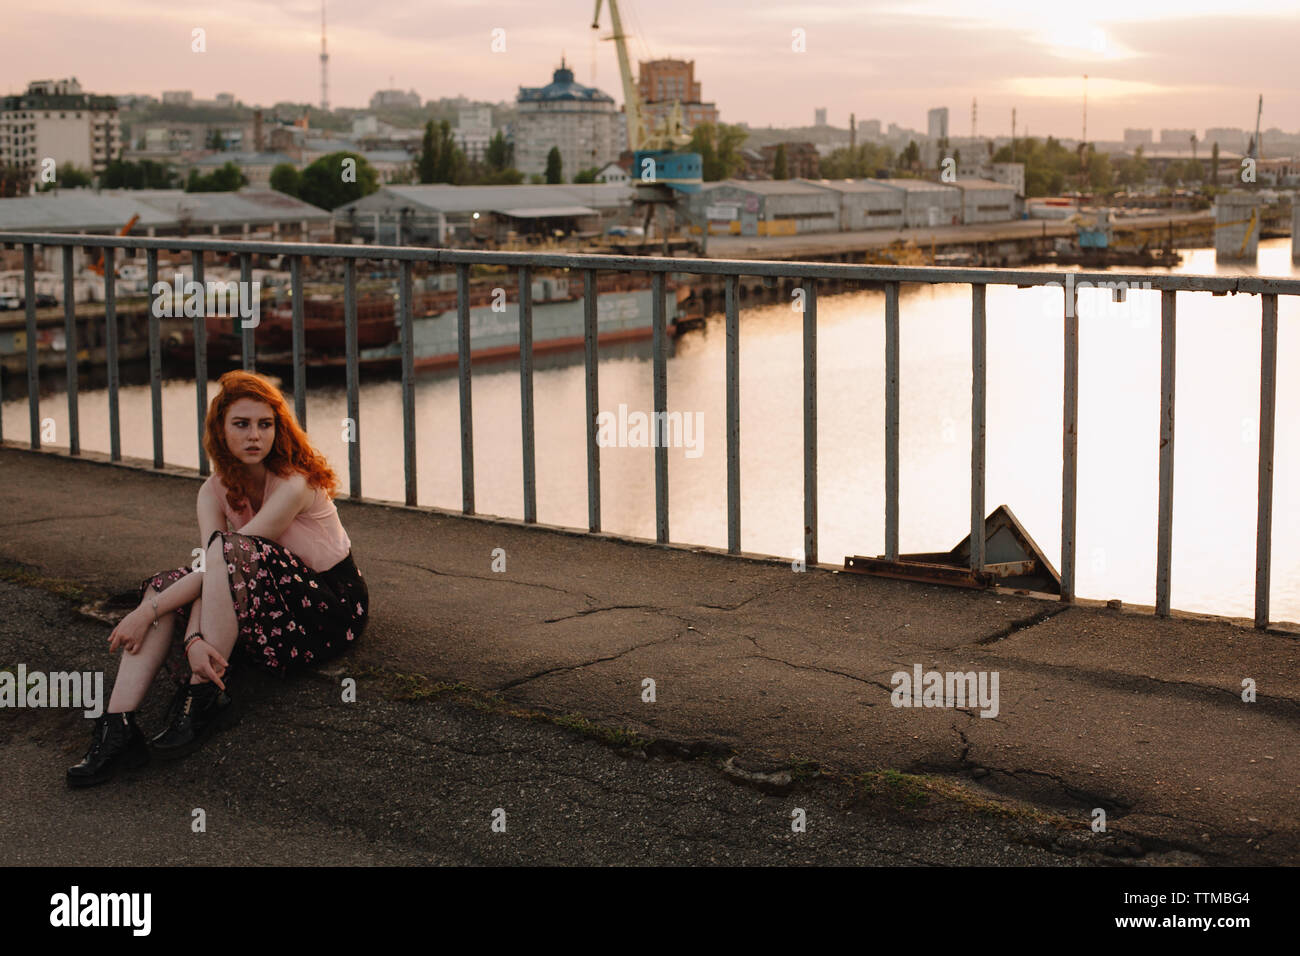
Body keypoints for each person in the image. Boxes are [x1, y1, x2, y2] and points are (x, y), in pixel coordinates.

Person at [68, 370, 370, 787]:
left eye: (266, 425)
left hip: (327, 608)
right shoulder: (213, 491)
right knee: (164, 583)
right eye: (241, 424)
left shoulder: (294, 483)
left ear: (278, 429)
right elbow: (214, 573)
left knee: (208, 565)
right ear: (220, 430)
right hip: (265, 604)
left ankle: (203, 697)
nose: (254, 436)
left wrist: (156, 616)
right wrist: (180, 626)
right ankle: (117, 729)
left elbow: (227, 560)